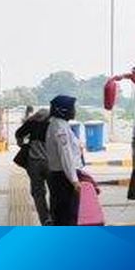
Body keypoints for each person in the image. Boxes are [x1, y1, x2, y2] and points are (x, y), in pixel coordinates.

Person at [45, 95, 83, 226]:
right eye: (72, 108)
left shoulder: (59, 124)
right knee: (66, 217)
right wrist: (74, 180)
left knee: (61, 215)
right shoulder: (60, 127)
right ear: (63, 110)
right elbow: (65, 155)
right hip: (63, 179)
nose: (74, 111)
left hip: (60, 176)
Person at [15, 108, 52, 226]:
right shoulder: (53, 124)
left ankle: (45, 219)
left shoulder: (32, 123)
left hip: (34, 163)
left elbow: (18, 134)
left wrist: (22, 144)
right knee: (55, 191)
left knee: (38, 193)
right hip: (51, 164)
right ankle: (54, 217)